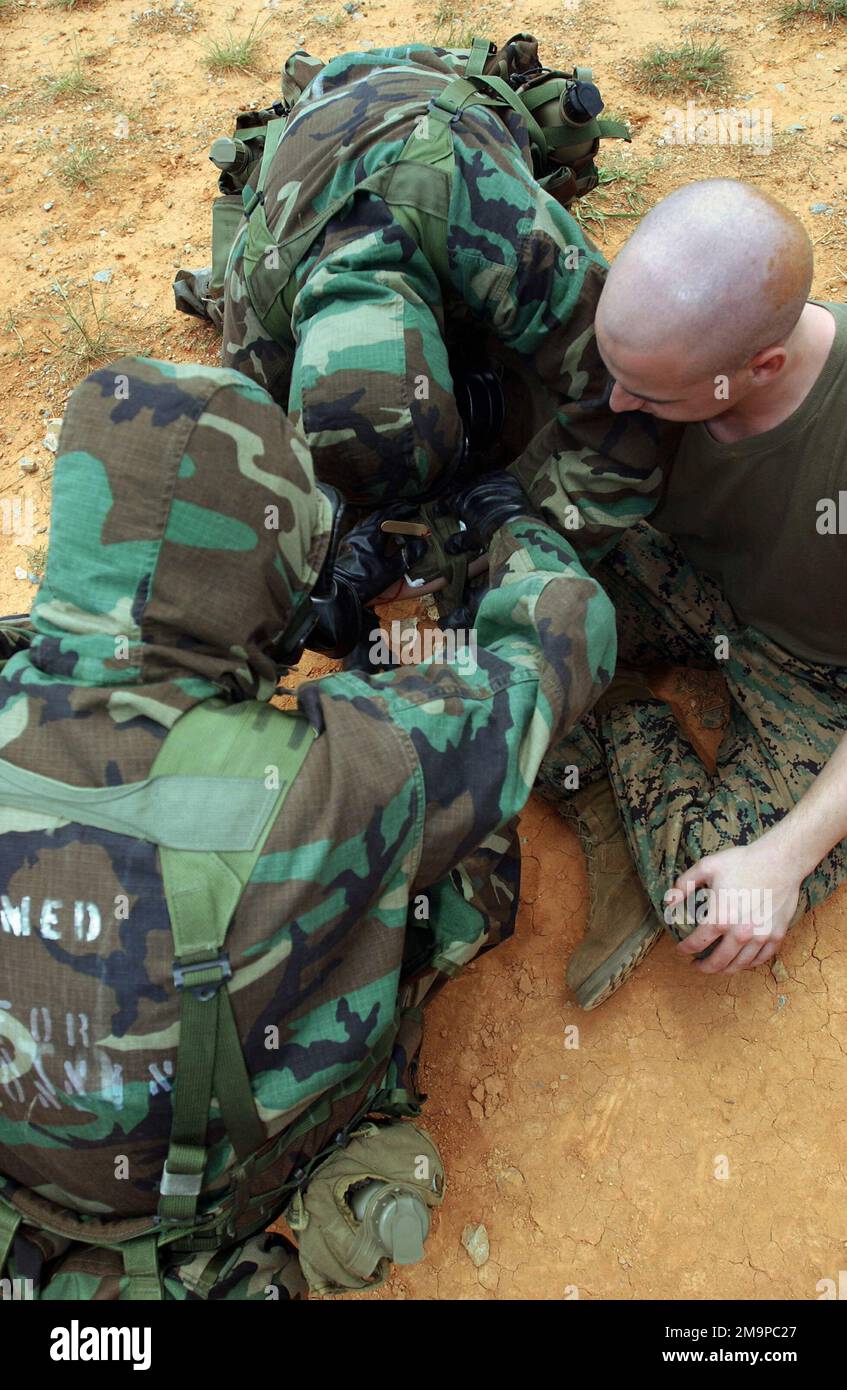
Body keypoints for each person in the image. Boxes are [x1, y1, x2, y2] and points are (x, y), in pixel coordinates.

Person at [0, 356, 615, 1298]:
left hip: (23, 1201)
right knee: (463, 839)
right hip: (221, 1194)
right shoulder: (343, 773)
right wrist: (509, 523)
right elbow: (564, 638)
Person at [523, 179, 847, 1009]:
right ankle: (604, 751)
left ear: (762, 365)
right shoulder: (650, 349)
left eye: (653, 396)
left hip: (817, 680)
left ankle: (607, 727)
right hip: (682, 579)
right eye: (613, 373)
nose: (620, 403)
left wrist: (783, 858)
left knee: (712, 909)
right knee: (491, 620)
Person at [218, 34, 632, 507]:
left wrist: (513, 527)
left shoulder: (511, 240)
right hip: (327, 100)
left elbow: (626, 399)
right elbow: (248, 481)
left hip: (438, 93)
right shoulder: (254, 296)